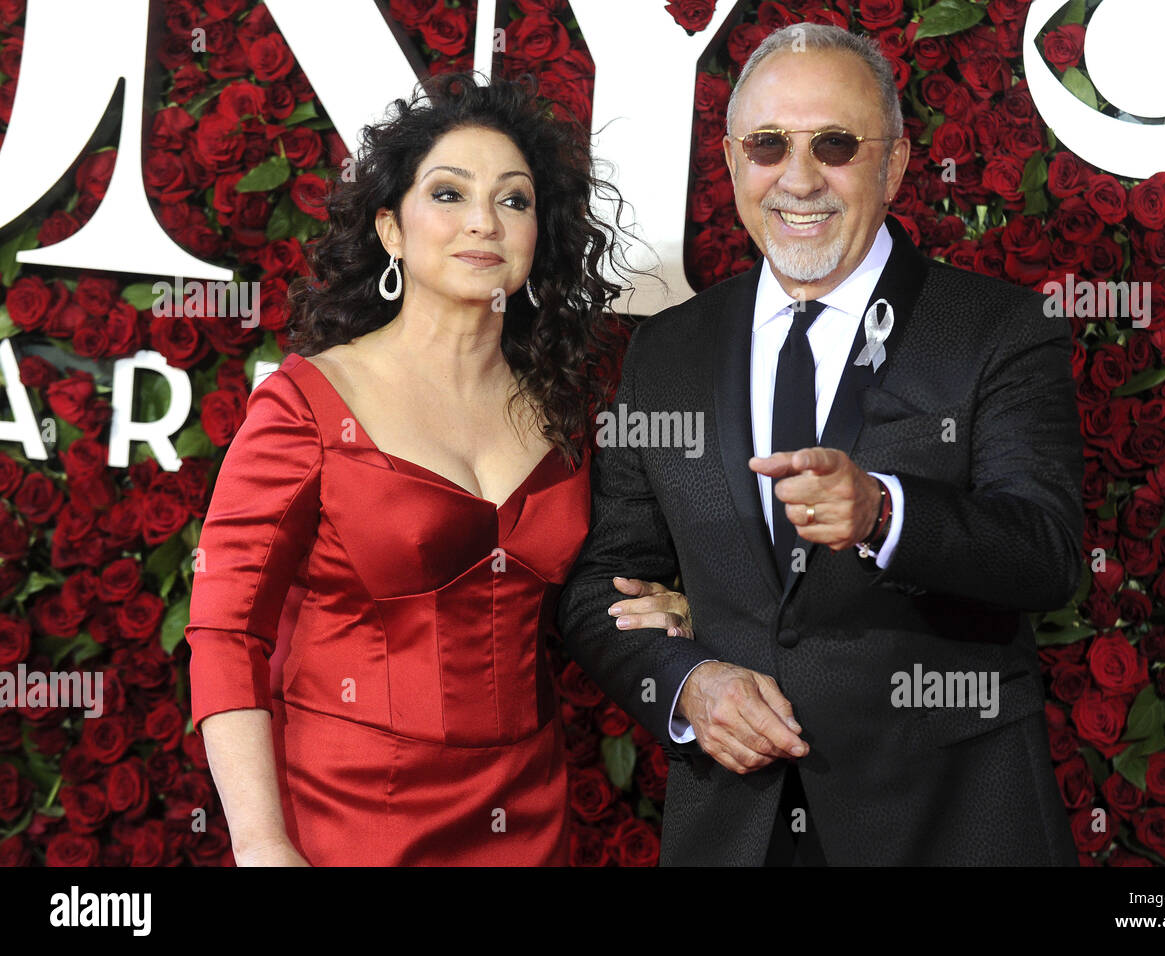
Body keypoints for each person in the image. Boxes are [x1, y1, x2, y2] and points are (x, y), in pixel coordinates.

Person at [557, 23, 1084, 865]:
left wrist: (883, 513)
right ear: (731, 162)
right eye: (768, 146)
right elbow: (602, 584)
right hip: (737, 827)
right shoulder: (668, 351)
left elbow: (1048, 556)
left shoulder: (996, 328)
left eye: (835, 145)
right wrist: (688, 682)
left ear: (897, 164)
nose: (799, 178)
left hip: (948, 822)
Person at [185, 72, 688, 866]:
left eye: (514, 200)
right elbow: (224, 631)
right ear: (391, 229)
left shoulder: (565, 415)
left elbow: (585, 591)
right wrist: (259, 841)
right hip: (350, 814)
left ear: (538, 233)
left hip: (527, 810)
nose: (484, 221)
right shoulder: (307, 402)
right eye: (449, 194)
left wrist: (672, 604)